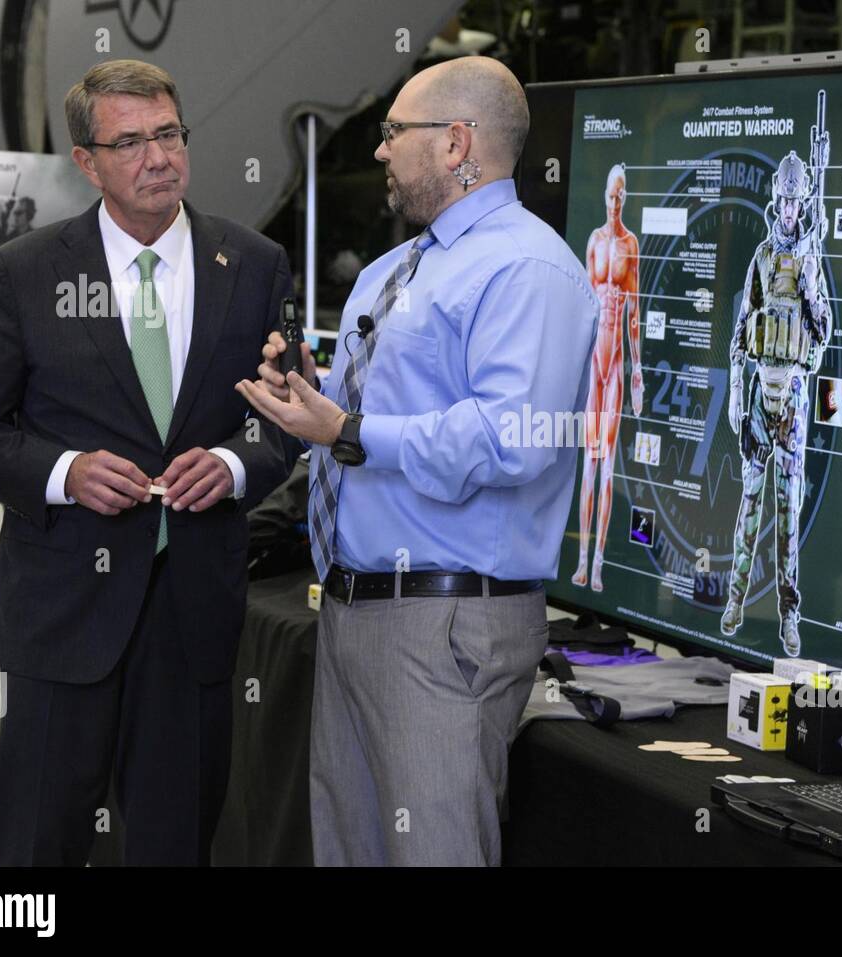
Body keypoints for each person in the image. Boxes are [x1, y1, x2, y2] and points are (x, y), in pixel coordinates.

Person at [238, 55, 597, 866]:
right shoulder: (393, 269)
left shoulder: (526, 269)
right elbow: (372, 420)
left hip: (444, 625)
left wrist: (349, 429)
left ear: (457, 143)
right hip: (355, 611)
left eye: (395, 131)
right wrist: (310, 401)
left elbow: (514, 439)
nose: (379, 151)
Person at [0, 59, 292, 866]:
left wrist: (235, 466)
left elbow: (283, 422)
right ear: (87, 163)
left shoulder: (254, 264)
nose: (158, 157)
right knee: (34, 850)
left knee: (174, 846)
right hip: (61, 618)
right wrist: (65, 473)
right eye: (129, 143)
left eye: (168, 133)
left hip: (193, 619)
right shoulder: (25, 271)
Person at [723, 144, 833, 654]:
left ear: (804, 201)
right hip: (757, 391)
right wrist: (734, 400)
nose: (788, 209)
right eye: (782, 200)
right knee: (749, 502)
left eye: (796, 201)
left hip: (792, 397)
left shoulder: (810, 258)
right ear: (776, 201)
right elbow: (740, 328)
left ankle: (790, 613)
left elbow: (825, 329)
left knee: (788, 511)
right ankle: (736, 599)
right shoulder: (763, 258)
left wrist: (809, 288)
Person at [571, 164, 641, 592]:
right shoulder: (595, 242)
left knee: (608, 465)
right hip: (592, 361)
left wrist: (638, 375)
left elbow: (634, 313)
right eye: (610, 195)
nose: (615, 202)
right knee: (587, 466)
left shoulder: (631, 245)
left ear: (626, 197)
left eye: (621, 196)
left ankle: (598, 563)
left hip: (615, 363)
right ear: (604, 197)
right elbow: (583, 308)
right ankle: (580, 560)